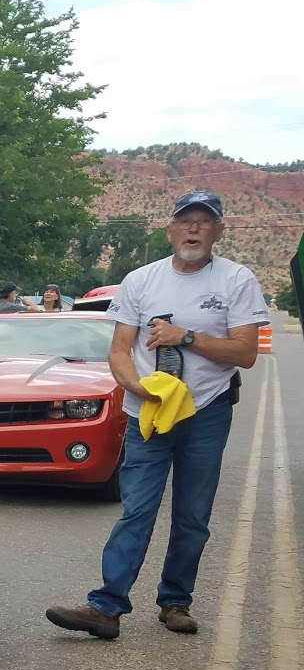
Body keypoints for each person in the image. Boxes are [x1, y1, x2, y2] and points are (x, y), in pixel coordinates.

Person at [46, 191, 268, 640]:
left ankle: (175, 602)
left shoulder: (237, 280)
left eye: (204, 221)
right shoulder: (141, 280)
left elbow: (245, 353)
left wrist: (186, 337)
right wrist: (136, 387)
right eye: (185, 221)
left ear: (219, 231)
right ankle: (106, 607)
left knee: (192, 514)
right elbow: (120, 350)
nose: (194, 229)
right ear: (169, 230)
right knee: (137, 509)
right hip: (148, 411)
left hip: (207, 411)